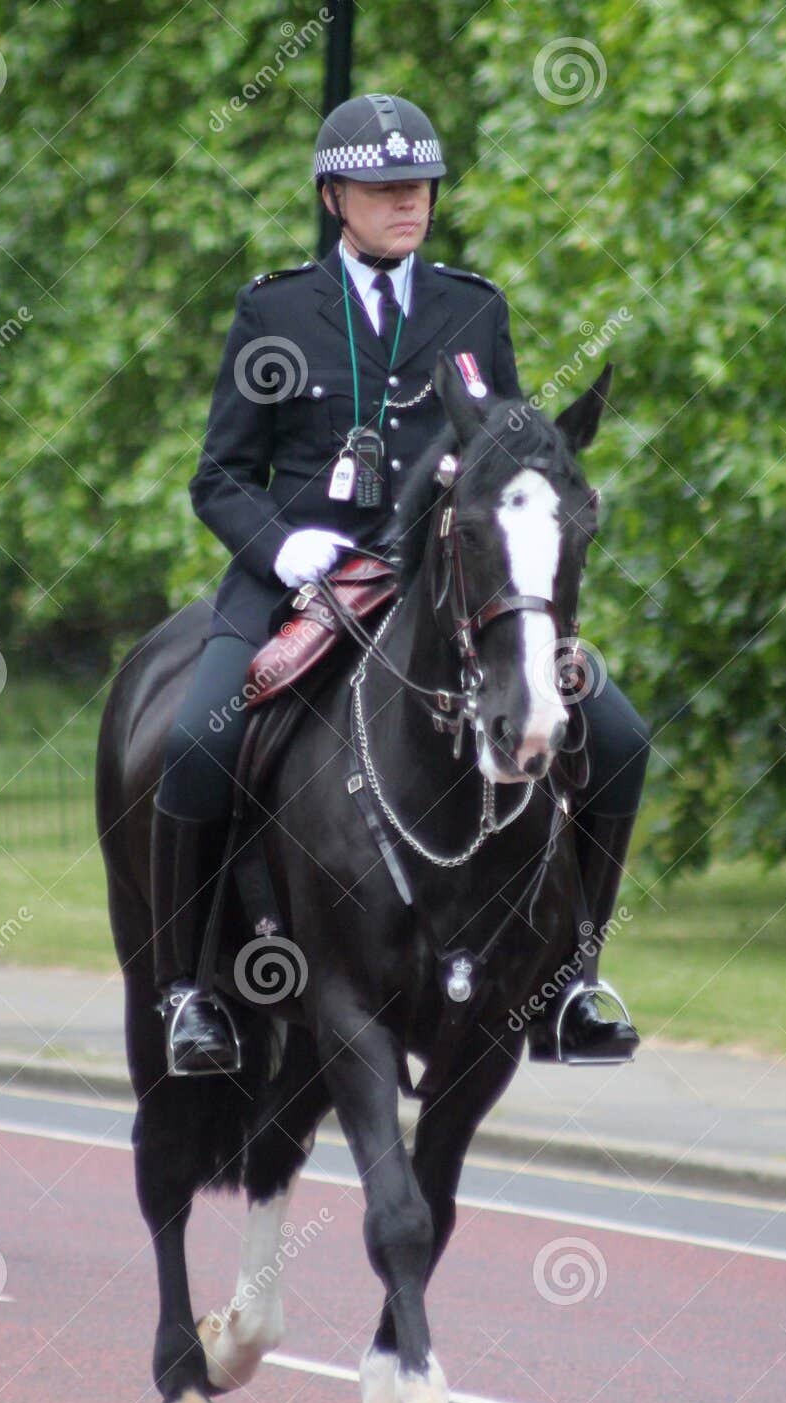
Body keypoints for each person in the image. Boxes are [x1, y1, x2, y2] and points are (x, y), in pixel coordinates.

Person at [152, 91, 649, 1075]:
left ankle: (571, 980)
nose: (407, 202)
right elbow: (216, 477)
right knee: (197, 739)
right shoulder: (276, 310)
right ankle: (190, 991)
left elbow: (509, 452)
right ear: (335, 196)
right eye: (383, 187)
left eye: (418, 184)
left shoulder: (472, 309)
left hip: (439, 583)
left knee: (621, 739)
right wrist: (282, 546)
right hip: (299, 578)